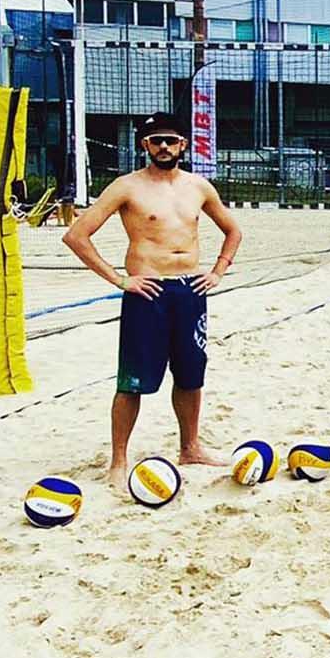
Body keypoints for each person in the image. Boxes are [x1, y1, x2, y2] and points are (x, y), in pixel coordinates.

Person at [61, 111, 243, 493]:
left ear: (183, 145)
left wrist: (218, 271)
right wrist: (119, 279)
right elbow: (77, 235)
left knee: (191, 375)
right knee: (132, 382)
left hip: (190, 291)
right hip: (149, 292)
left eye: (170, 140)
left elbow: (233, 230)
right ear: (144, 145)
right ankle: (119, 460)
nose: (164, 146)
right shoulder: (127, 187)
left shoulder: (199, 187)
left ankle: (190, 447)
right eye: (156, 140)